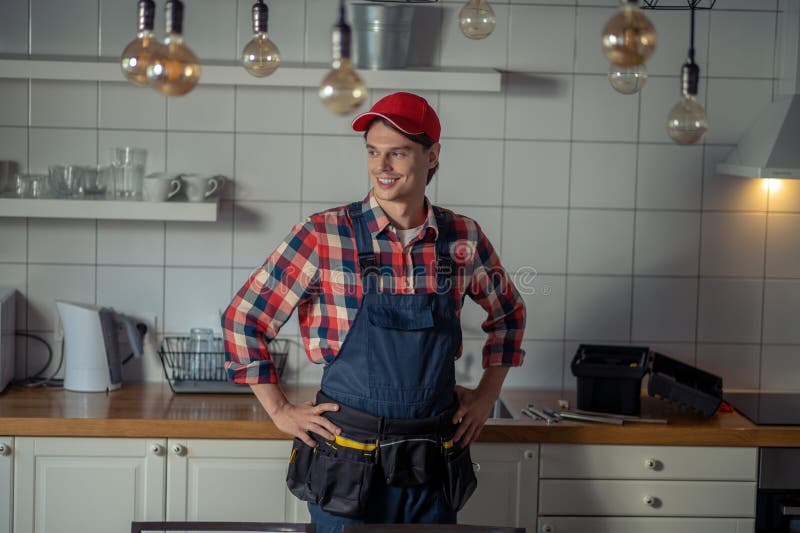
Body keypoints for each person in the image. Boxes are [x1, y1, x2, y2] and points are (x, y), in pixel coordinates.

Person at [222, 91, 526, 533]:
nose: (381, 166)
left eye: (397, 153)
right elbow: (243, 318)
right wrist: (279, 410)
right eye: (373, 152)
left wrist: (484, 398)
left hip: (431, 460)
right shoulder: (323, 236)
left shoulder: (462, 236)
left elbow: (509, 315)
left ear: (432, 155)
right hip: (346, 460)